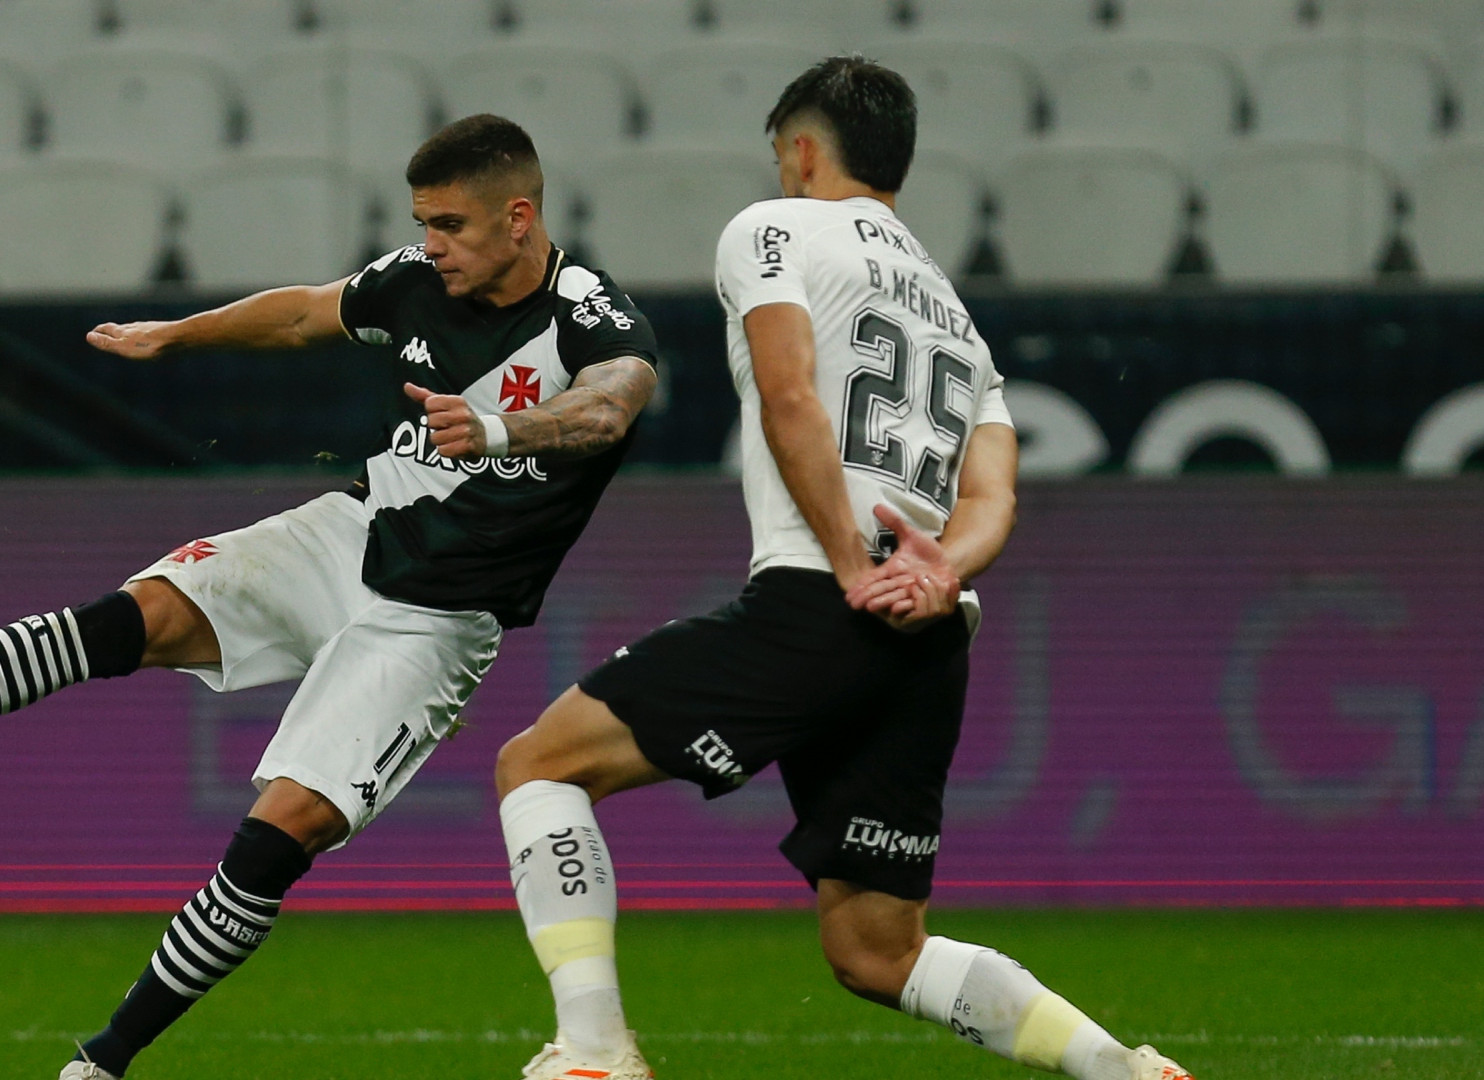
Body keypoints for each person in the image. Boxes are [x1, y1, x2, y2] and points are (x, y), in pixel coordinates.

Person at [0, 114, 661, 1080]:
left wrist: (500, 431)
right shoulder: (417, 278)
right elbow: (303, 313)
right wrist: (176, 334)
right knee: (139, 614)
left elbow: (612, 402)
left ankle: (102, 1062)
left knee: (282, 830)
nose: (432, 244)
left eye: (450, 225)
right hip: (354, 531)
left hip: (440, 616)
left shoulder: (590, 316)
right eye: (423, 223)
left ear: (517, 217)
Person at [488, 57, 1195, 1080]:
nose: (780, 172)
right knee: (878, 951)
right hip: (927, 640)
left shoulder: (772, 231)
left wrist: (848, 562)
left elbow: (790, 396)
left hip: (822, 604)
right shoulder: (955, 318)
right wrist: (939, 571)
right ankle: (1121, 1069)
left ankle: (595, 1051)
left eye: (782, 155)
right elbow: (994, 497)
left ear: (805, 150)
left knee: (539, 765)